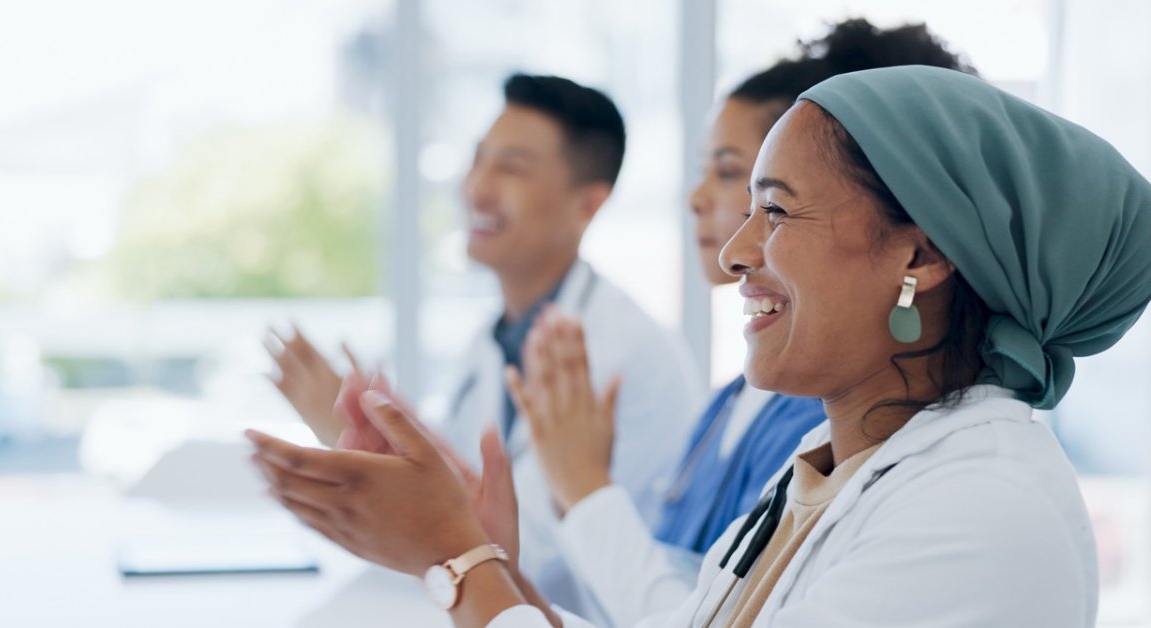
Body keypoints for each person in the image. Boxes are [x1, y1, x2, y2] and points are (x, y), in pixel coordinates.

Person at [248, 66, 1151, 627]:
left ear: (920, 252)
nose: (733, 249)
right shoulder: (823, 464)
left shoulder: (980, 508)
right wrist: (493, 562)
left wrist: (460, 561)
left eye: (777, 209)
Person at [512, 20, 978, 627]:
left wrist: (572, 497)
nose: (710, 210)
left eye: (765, 194)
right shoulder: (746, 403)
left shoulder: (843, 426)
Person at [265, 73, 701, 619]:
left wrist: (403, 484)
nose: (477, 186)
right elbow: (473, 510)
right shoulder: (495, 337)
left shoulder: (619, 351)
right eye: (478, 160)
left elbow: (524, 555)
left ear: (587, 204)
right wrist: (376, 447)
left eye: (511, 168)